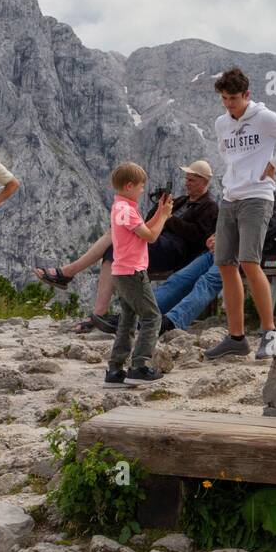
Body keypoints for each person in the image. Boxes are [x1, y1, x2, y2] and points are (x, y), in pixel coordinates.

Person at [34, 161, 217, 332]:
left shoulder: (209, 207)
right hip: (160, 245)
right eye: (186, 179)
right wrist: (160, 206)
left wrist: (169, 218)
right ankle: (98, 313)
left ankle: (69, 274)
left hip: (175, 251)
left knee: (116, 237)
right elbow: (149, 221)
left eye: (191, 180)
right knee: (112, 247)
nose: (187, 183)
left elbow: (199, 237)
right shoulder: (181, 201)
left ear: (204, 182)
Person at [207, 67, 276, 362]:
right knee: (225, 264)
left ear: (247, 95)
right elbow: (226, 151)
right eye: (224, 99)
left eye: (233, 98)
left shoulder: (263, 118)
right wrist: (235, 173)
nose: (229, 104)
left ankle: (269, 333)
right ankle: (236, 338)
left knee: (250, 262)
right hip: (230, 197)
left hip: (257, 196)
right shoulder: (221, 123)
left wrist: (274, 163)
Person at [104, 162, 172, 385]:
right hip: (133, 272)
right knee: (152, 316)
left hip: (120, 271)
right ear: (130, 185)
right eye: (141, 187)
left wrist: (161, 213)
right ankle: (139, 366)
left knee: (127, 319)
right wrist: (163, 217)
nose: (143, 191)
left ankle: (115, 369)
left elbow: (143, 232)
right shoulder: (127, 211)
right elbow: (151, 237)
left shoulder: (120, 207)